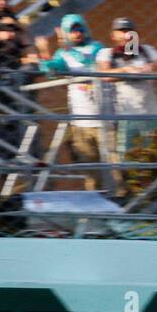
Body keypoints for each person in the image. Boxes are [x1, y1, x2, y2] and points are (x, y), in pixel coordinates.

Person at [40, 14, 107, 189]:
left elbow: (90, 61)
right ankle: (95, 201)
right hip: (80, 119)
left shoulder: (96, 47)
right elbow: (52, 70)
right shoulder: (63, 53)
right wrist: (45, 55)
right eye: (72, 31)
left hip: (104, 116)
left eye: (79, 29)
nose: (77, 34)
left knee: (114, 162)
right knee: (90, 167)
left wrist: (69, 48)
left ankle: (123, 199)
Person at [96, 17, 157, 157]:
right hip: (125, 116)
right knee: (127, 158)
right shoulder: (107, 53)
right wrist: (126, 70)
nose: (126, 34)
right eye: (121, 31)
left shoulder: (147, 50)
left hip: (153, 114)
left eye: (129, 30)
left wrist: (151, 67)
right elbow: (105, 75)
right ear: (113, 35)